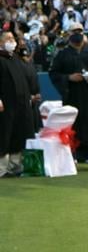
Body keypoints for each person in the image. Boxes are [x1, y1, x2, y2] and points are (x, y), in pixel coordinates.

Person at [48, 24, 88, 170]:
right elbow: (54, 73)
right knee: (74, 129)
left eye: (79, 31)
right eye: (74, 32)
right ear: (69, 34)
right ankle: (72, 160)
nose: (77, 34)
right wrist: (69, 78)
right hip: (73, 98)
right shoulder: (62, 54)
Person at [0, 32, 35, 177]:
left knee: (18, 133)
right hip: (5, 104)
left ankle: (15, 166)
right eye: (7, 39)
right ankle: (2, 167)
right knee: (4, 133)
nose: (11, 41)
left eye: (12, 38)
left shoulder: (16, 59)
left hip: (20, 103)